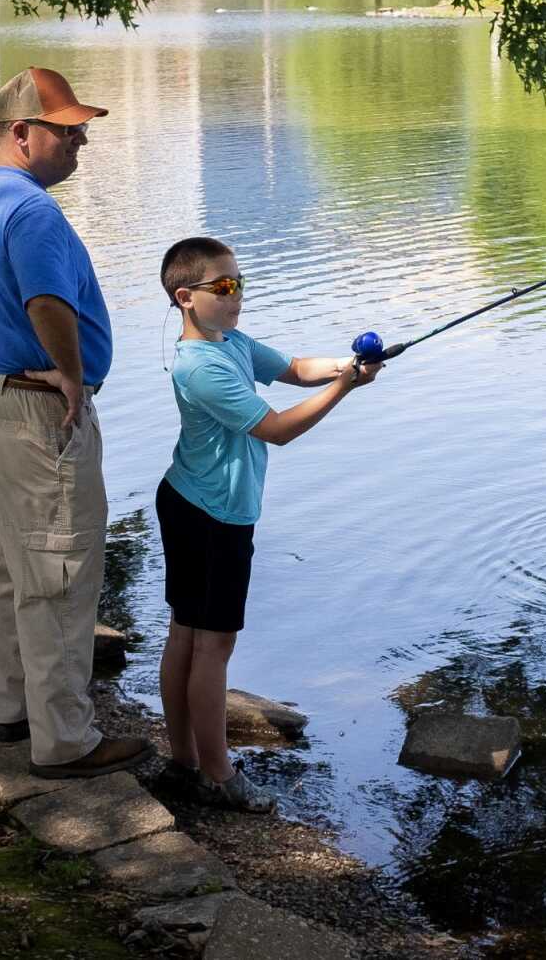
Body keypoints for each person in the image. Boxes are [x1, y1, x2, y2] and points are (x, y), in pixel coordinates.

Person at [0, 66, 154, 779]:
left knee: (7, 561)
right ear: (21, 133)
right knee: (60, 568)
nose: (79, 143)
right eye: (66, 131)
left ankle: (12, 710)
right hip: (42, 412)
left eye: (80, 131)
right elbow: (46, 301)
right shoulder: (33, 212)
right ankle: (66, 741)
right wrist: (72, 375)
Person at [153, 236, 382, 810]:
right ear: (186, 297)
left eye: (240, 283)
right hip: (209, 515)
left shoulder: (228, 342)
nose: (237, 296)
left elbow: (294, 369)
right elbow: (275, 428)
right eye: (224, 287)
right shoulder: (200, 367)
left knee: (188, 633)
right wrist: (345, 388)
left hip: (195, 503)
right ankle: (219, 775)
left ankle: (184, 764)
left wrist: (342, 365)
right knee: (212, 644)